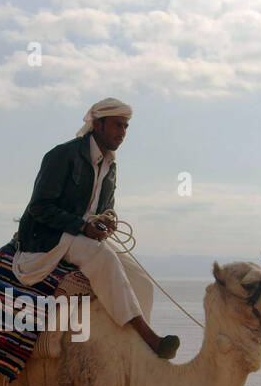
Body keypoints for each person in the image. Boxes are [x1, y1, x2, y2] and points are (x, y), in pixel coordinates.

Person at [13, 98, 180, 359]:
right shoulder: (62, 155)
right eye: (117, 125)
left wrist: (105, 224)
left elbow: (104, 209)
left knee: (142, 282)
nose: (122, 132)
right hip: (49, 236)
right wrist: (82, 225)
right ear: (98, 124)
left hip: (83, 236)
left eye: (126, 127)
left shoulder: (110, 165)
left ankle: (133, 350)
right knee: (103, 258)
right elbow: (39, 207)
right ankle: (150, 338)